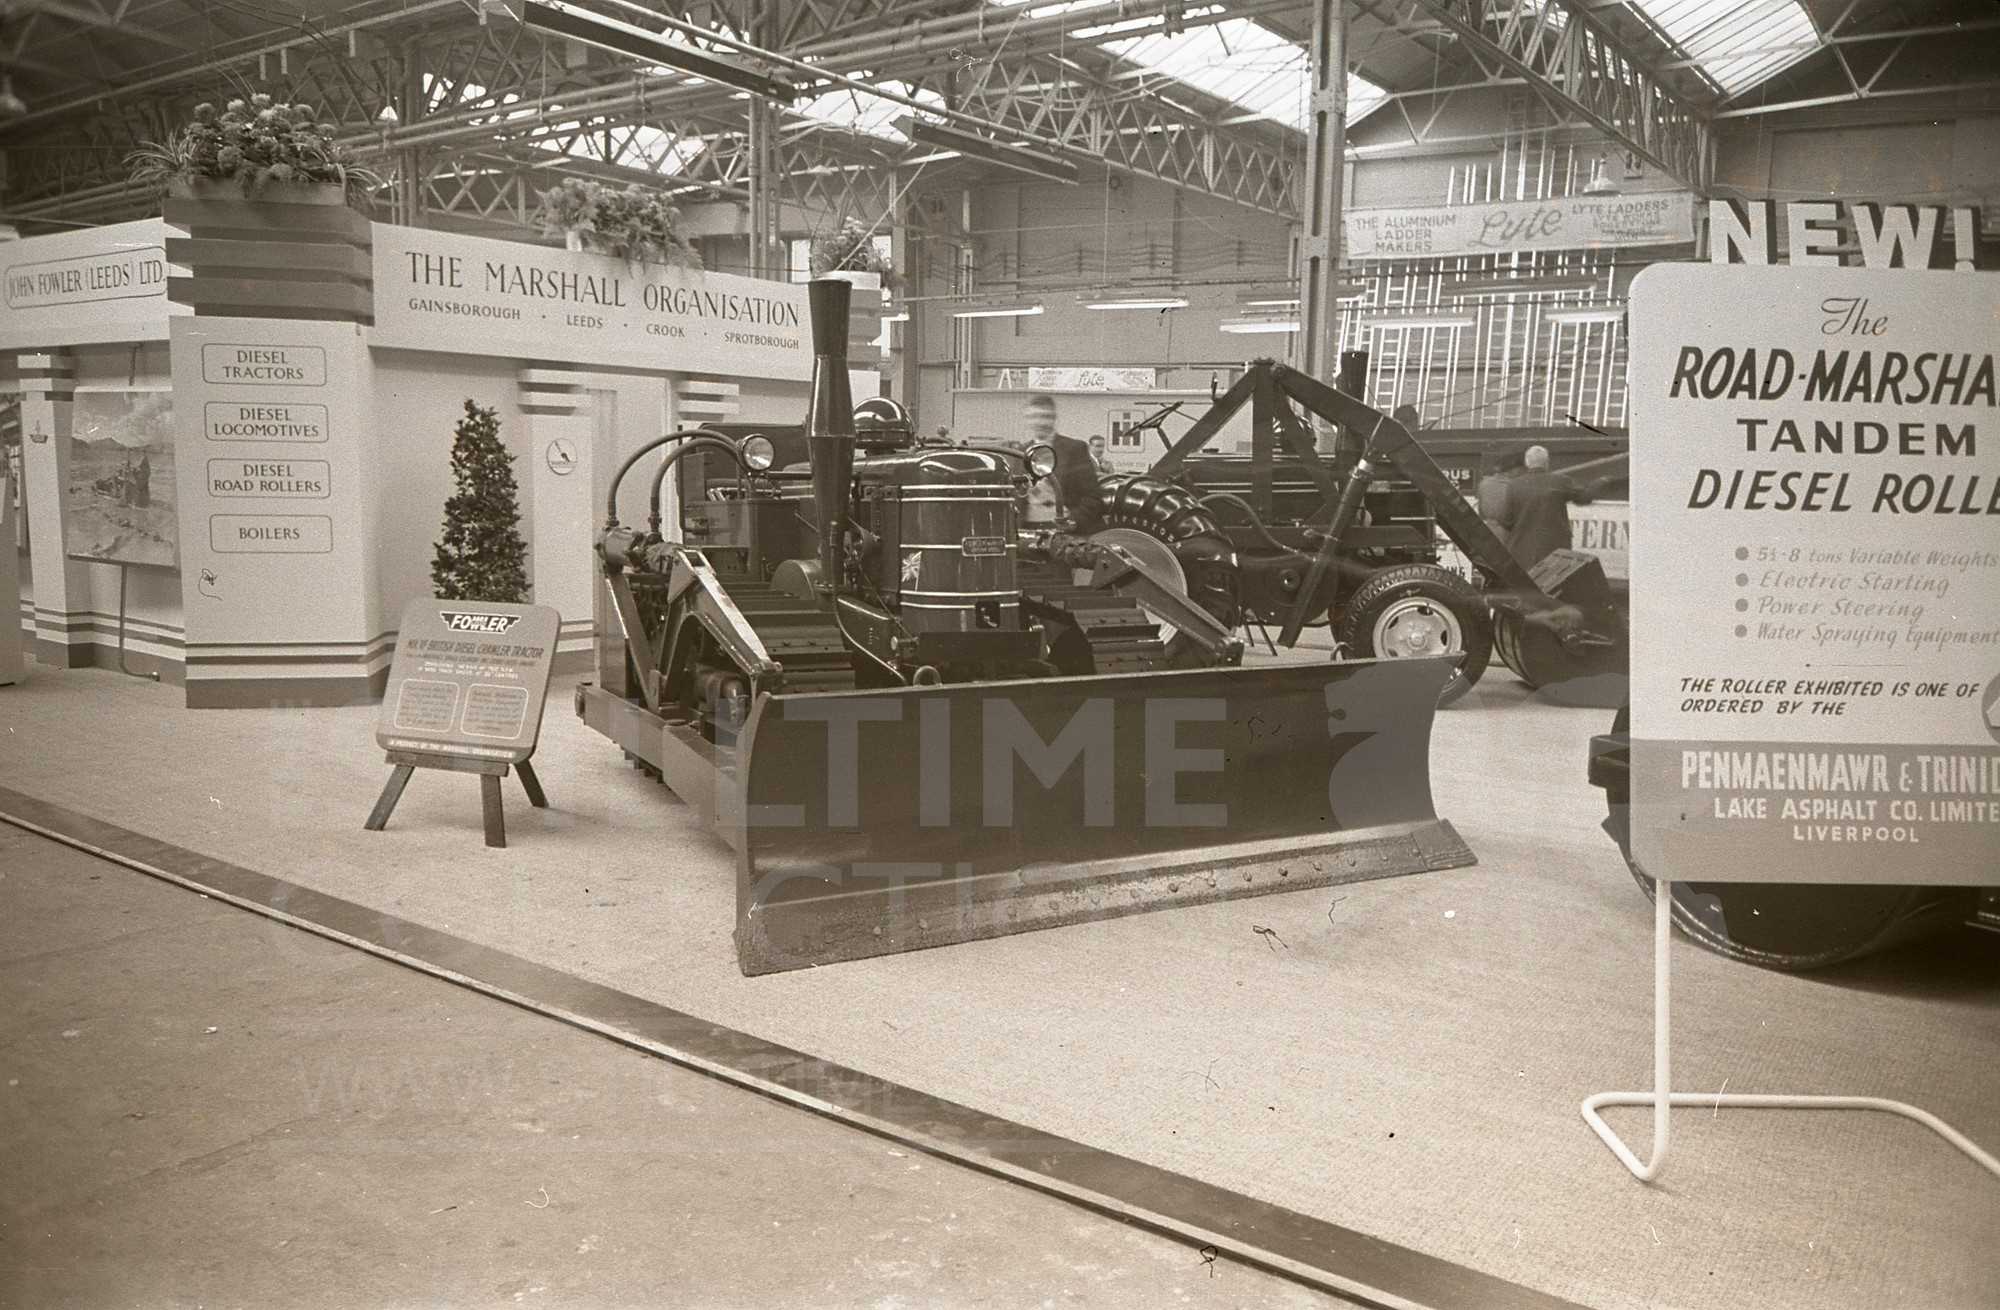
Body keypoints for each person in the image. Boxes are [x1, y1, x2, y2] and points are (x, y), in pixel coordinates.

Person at [1497, 444, 1593, 571]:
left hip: (1523, 552)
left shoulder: (1513, 485)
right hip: (1555, 552)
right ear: (1547, 463)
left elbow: (1506, 520)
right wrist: (1601, 483)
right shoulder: (1561, 481)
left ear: (1527, 463)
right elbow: (1584, 498)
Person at [1023, 393, 1099, 530]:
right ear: (1027, 420)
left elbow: (1093, 498)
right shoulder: (1018, 453)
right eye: (1034, 417)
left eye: (1045, 417)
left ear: (1054, 418)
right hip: (1025, 530)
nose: (1040, 422)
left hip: (1063, 531)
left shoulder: (1075, 449)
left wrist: (1072, 521)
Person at [1475, 444, 1521, 540]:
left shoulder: (1483, 484)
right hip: (1508, 534)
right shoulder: (1513, 486)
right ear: (1513, 470)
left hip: (1487, 531)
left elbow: (1481, 512)